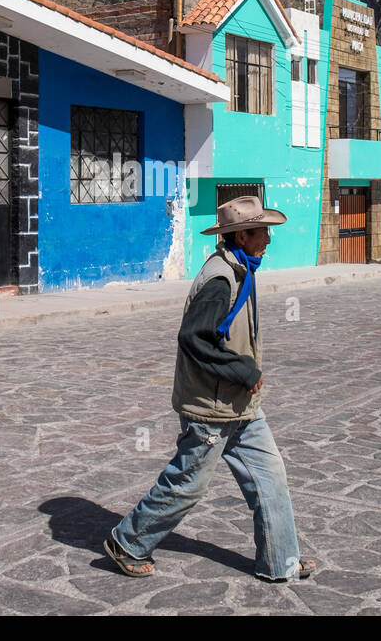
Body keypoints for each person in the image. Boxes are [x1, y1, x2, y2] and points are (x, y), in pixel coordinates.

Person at [104, 195, 316, 583]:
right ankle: (128, 541)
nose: (268, 238)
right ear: (241, 234)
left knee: (270, 479)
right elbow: (194, 338)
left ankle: (280, 560)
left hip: (241, 407)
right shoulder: (221, 279)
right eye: (262, 231)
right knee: (187, 484)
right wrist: (242, 371)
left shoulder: (241, 268)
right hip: (212, 409)